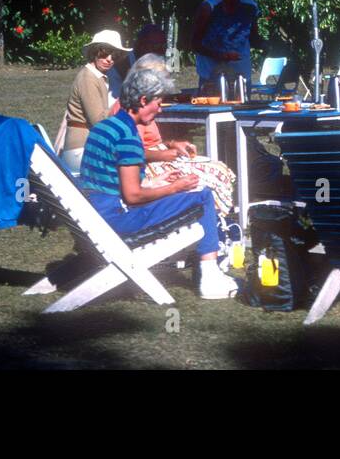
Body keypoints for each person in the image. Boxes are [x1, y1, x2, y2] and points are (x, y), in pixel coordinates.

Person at [80, 63, 241, 299]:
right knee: (203, 195)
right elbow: (132, 196)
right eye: (158, 103)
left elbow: (111, 182)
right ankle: (210, 277)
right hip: (117, 221)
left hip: (96, 215)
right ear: (143, 100)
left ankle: (212, 269)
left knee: (188, 192)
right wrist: (175, 187)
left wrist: (160, 182)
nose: (161, 110)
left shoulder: (105, 128)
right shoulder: (127, 135)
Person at [124, 53, 237, 217]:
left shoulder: (144, 104)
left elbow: (148, 139)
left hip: (158, 158)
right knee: (204, 179)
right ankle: (205, 220)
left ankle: (213, 221)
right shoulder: (129, 109)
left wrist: (171, 143)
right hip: (147, 166)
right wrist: (162, 154)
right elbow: (130, 152)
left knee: (218, 168)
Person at [60, 29, 129, 173]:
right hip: (80, 149)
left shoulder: (97, 76)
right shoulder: (88, 78)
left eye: (114, 55)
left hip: (89, 146)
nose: (109, 59)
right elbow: (98, 121)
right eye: (104, 53)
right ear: (94, 52)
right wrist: (123, 103)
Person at [192, 0, 263, 91]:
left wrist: (269, 45)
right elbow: (195, 44)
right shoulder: (209, 7)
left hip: (241, 77)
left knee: (241, 110)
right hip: (211, 76)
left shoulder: (250, 7)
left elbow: (254, 38)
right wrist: (221, 56)